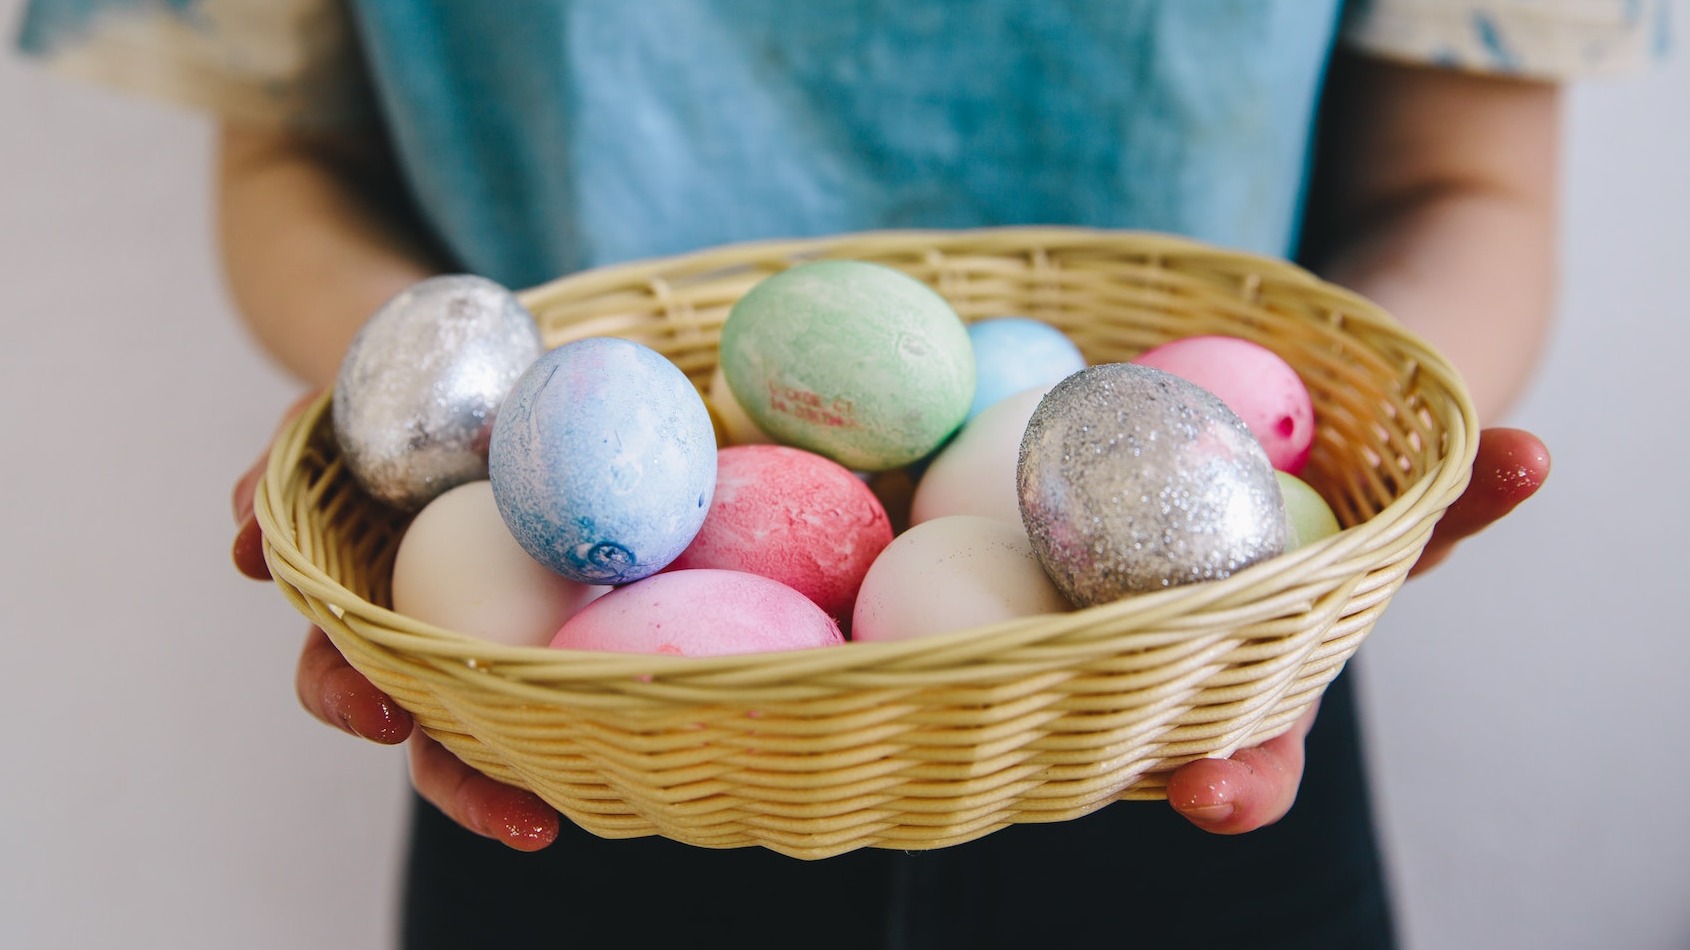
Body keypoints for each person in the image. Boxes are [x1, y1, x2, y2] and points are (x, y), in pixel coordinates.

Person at [18, 1, 1663, 946]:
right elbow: (289, 154)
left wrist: (1322, 528)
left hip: (1190, 690)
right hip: (580, 718)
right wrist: (416, 443)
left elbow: (1464, 178)